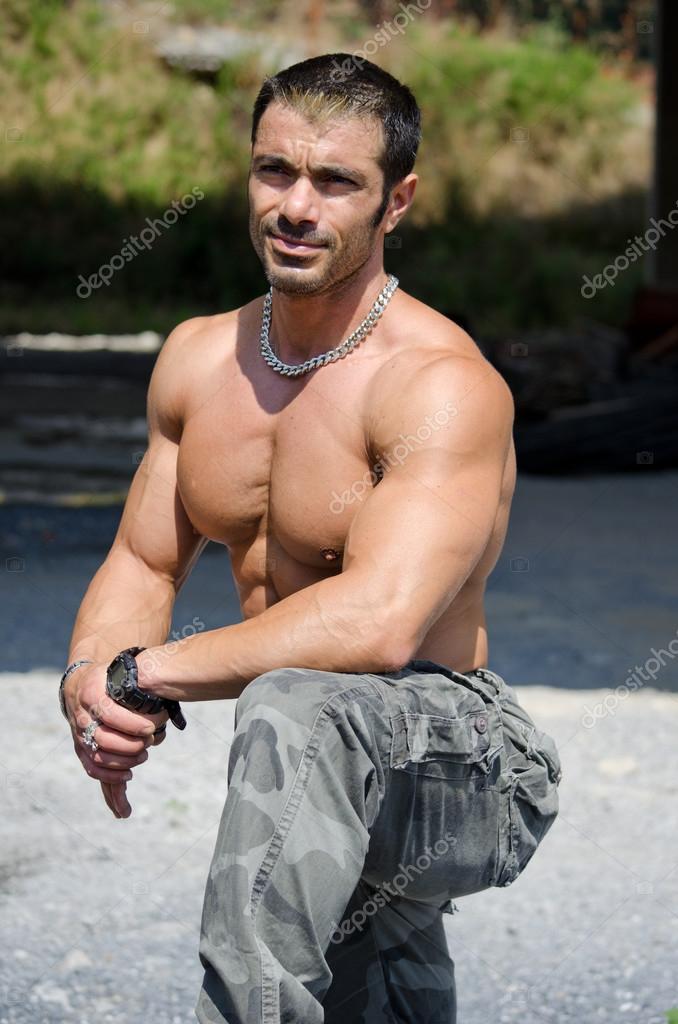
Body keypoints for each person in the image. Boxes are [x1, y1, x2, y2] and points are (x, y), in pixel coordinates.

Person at [59, 53, 562, 1024]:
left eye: (335, 182)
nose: (295, 205)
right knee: (371, 969)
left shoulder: (436, 384)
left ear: (396, 201)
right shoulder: (199, 356)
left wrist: (150, 672)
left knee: (299, 706)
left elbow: (379, 625)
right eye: (274, 170)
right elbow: (146, 557)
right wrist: (94, 682)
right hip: (323, 770)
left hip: (462, 766)